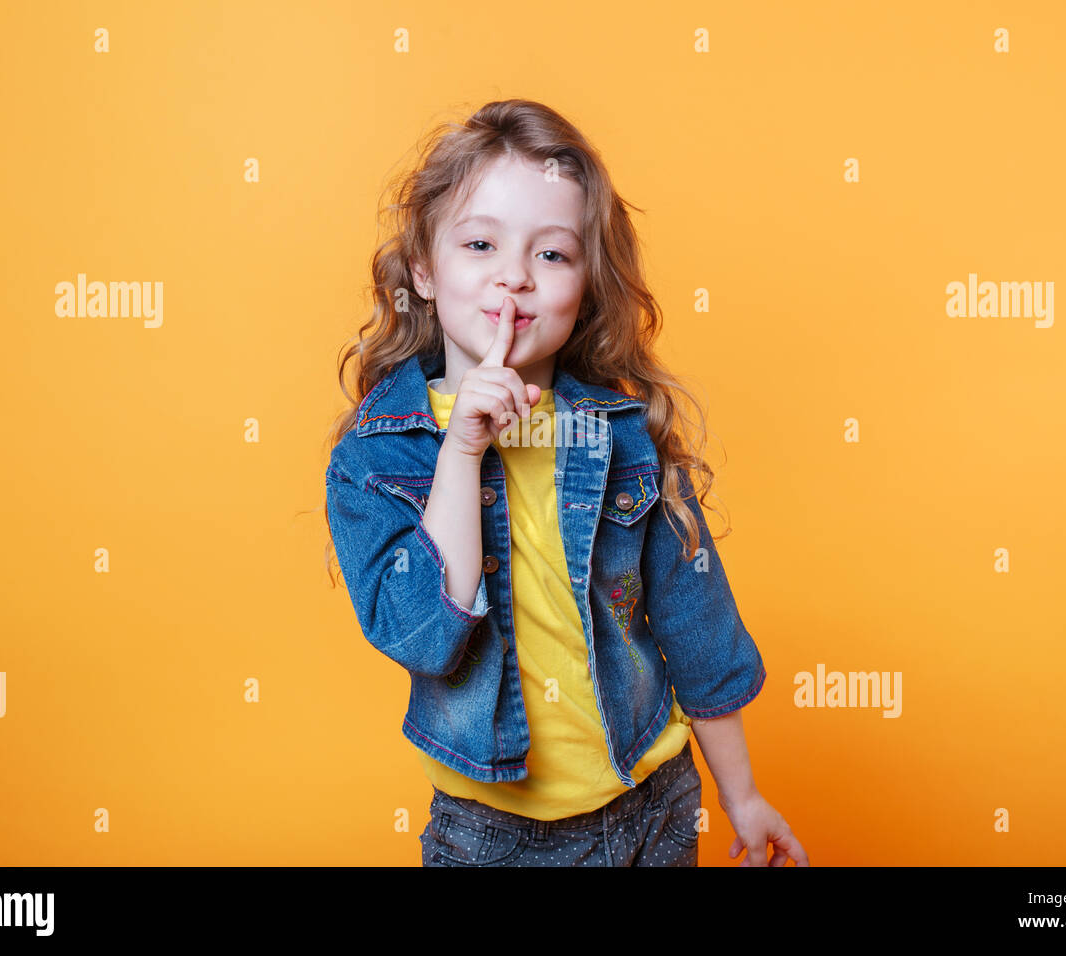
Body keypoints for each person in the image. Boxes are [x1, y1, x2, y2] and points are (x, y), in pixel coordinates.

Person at [323, 99, 808, 867]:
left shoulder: (622, 438)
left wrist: (741, 797)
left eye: (551, 255)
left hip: (654, 810)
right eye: (481, 243)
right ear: (424, 268)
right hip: (492, 838)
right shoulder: (378, 457)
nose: (513, 276)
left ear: (583, 287)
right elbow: (424, 637)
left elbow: (698, 626)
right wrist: (461, 452)